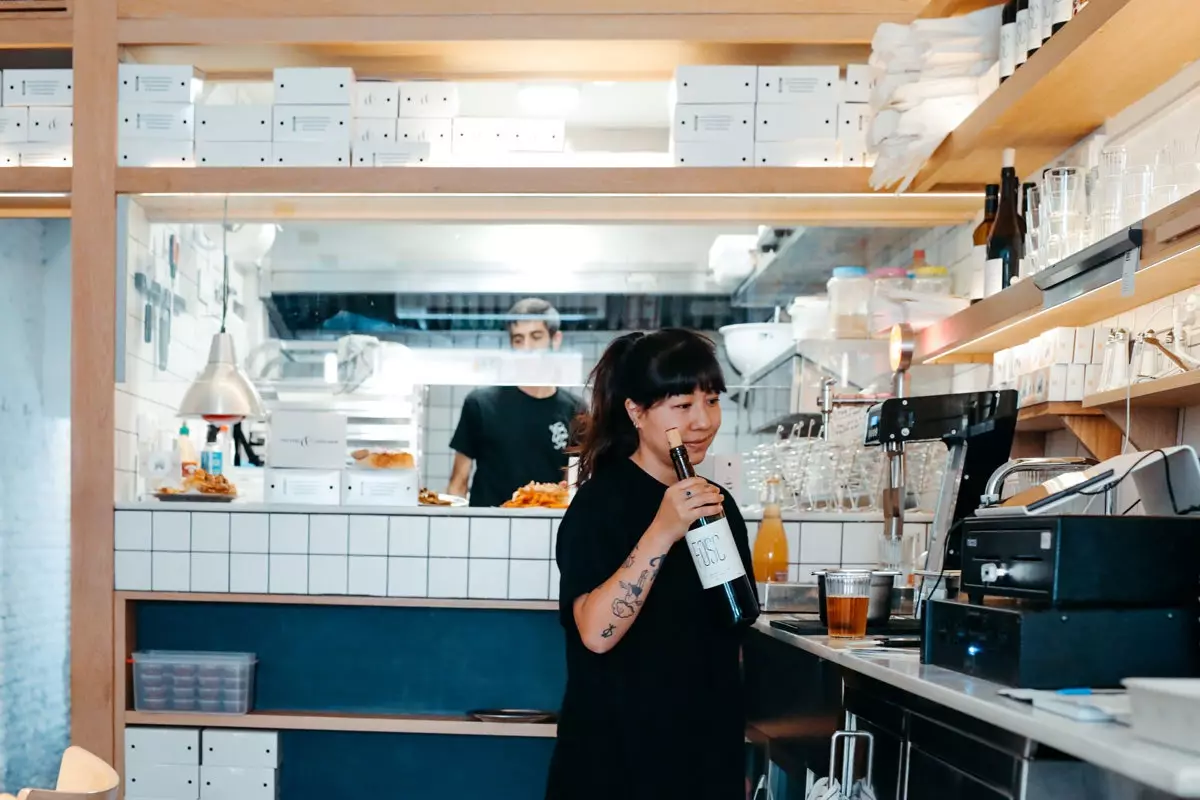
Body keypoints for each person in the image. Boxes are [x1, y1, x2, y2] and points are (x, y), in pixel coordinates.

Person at [545, 329, 755, 800]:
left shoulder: (718, 505)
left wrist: (729, 760)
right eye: (682, 406)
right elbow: (597, 635)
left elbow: (730, 636)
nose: (703, 421)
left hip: (702, 762)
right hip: (615, 765)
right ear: (636, 412)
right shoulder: (601, 504)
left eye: (713, 400)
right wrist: (663, 528)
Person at [447, 298, 585, 507]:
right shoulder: (480, 404)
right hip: (488, 529)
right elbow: (458, 482)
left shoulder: (576, 410)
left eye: (536, 337)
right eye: (518, 340)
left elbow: (573, 486)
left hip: (548, 531)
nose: (526, 348)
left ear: (555, 340)